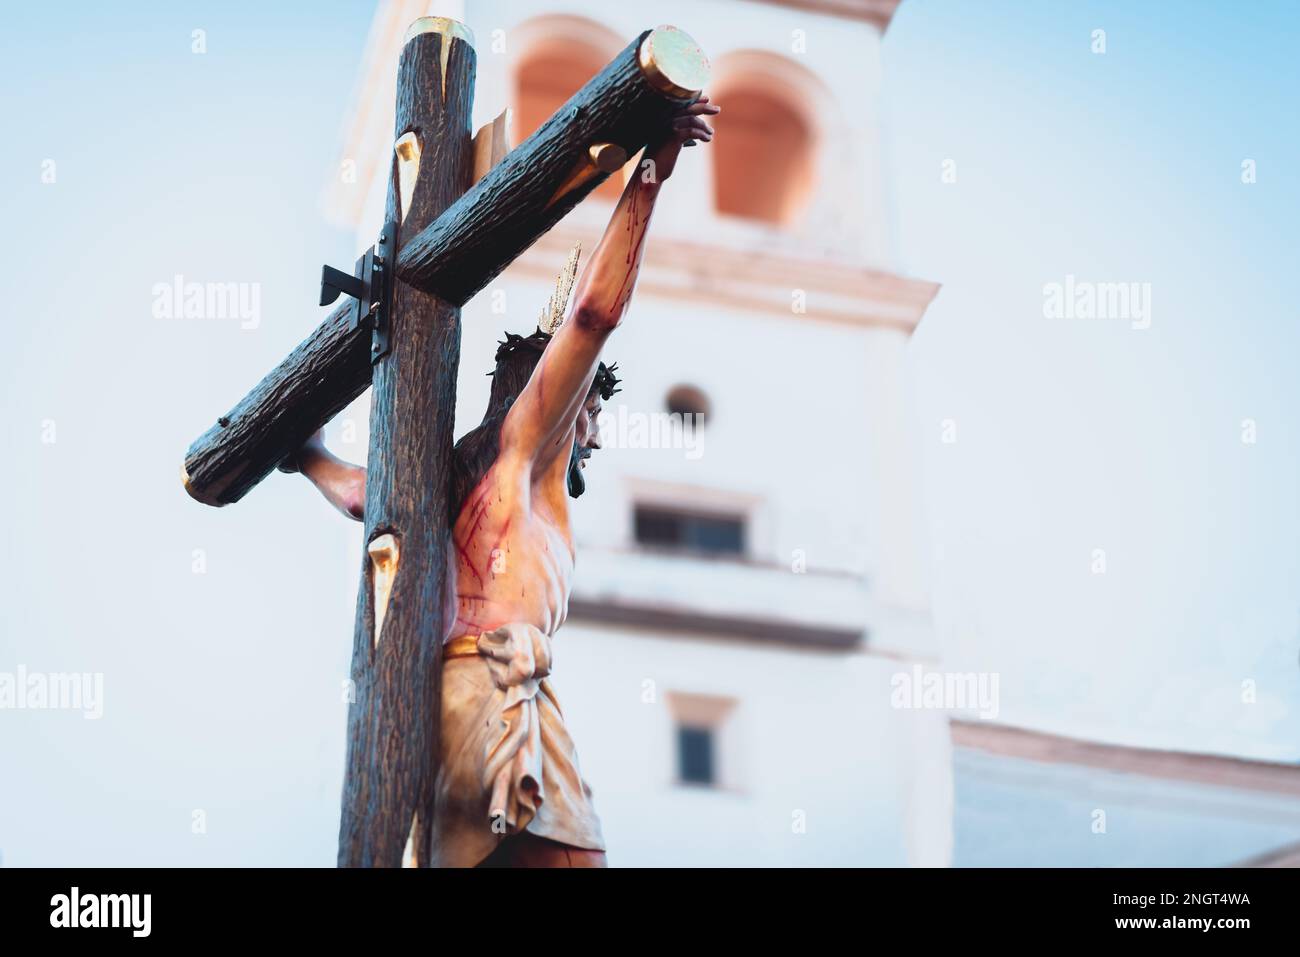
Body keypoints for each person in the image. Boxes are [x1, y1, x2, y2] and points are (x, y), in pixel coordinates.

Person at [287, 97, 719, 866]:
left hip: (486, 699)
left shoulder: (455, 477)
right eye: (585, 408)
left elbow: (367, 496)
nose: (588, 429)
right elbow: (592, 314)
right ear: (562, 402)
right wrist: (652, 173)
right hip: (489, 696)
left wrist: (309, 454)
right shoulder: (522, 456)